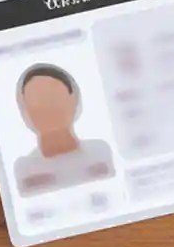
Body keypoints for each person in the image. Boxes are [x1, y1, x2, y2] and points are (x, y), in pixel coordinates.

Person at [13, 64, 115, 197]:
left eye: (53, 99)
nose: (48, 110)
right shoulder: (26, 170)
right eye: (38, 102)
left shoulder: (100, 153)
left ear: (74, 100)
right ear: (24, 110)